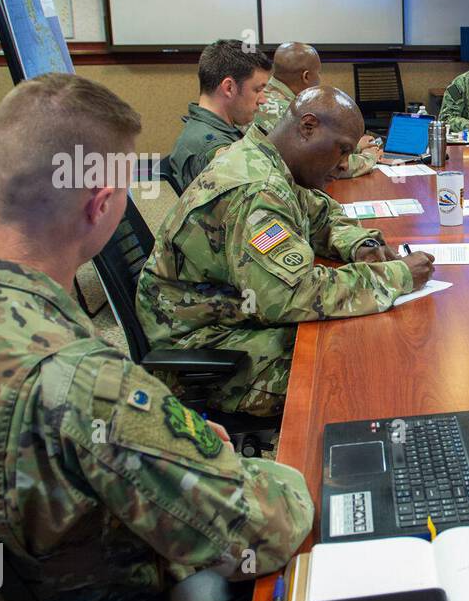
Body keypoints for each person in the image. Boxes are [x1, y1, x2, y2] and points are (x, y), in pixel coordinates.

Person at [0, 73, 314, 601]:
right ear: (102, 205)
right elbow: (269, 529)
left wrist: (175, 450)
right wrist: (214, 455)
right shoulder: (92, 388)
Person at [137, 86, 435, 419]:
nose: (344, 165)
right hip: (206, 348)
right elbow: (292, 295)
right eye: (342, 150)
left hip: (234, 315)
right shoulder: (259, 188)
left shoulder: (268, 158)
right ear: (308, 127)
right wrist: (398, 274)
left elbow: (322, 215)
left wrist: (360, 245)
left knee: (363, 331)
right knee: (356, 369)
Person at [250, 42, 381, 178]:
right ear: (306, 76)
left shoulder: (263, 96)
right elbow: (318, 164)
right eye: (318, 73)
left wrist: (354, 146)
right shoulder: (287, 113)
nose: (319, 79)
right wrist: (369, 158)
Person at [167, 39, 271, 190]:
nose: (263, 100)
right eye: (257, 90)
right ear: (229, 88)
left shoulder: (204, 130)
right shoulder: (215, 149)